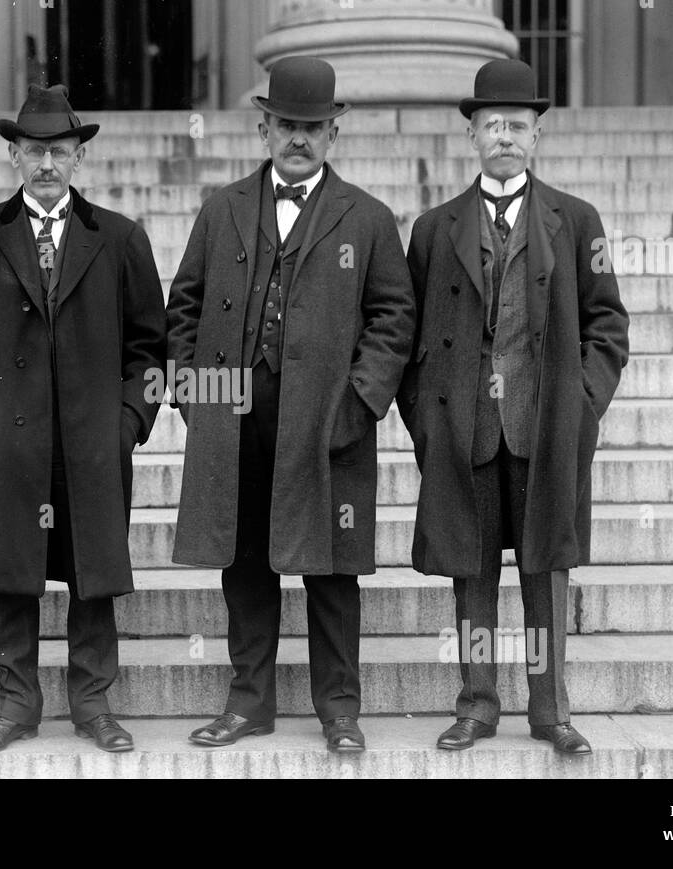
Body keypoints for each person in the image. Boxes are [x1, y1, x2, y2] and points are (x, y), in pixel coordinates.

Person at [167, 56, 415, 753]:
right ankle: (249, 703)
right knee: (243, 564)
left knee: (331, 570)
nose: (298, 138)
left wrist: (359, 404)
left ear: (334, 132)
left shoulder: (367, 219)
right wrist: (197, 398)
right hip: (234, 417)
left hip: (327, 420)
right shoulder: (221, 209)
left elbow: (393, 319)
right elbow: (182, 307)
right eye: (286, 125)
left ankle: (339, 708)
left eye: (312, 126)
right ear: (264, 126)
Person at [0, 85, 166, 755]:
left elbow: (150, 343)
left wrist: (129, 418)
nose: (48, 164)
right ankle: (16, 702)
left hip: (93, 439)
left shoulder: (120, 238)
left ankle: (92, 700)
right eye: (35, 151)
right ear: (13, 155)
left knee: (94, 569)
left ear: (79, 156)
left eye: (60, 150)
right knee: (11, 571)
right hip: (11, 440)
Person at [398, 59, 630, 755]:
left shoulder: (575, 221)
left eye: (518, 126)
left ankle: (550, 708)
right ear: (471, 133)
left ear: (537, 135)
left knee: (545, 570)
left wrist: (579, 407)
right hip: (465, 427)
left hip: (544, 425)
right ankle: (476, 703)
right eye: (493, 124)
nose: (505, 136)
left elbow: (608, 327)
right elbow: (407, 338)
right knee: (470, 572)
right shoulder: (435, 228)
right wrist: (426, 417)